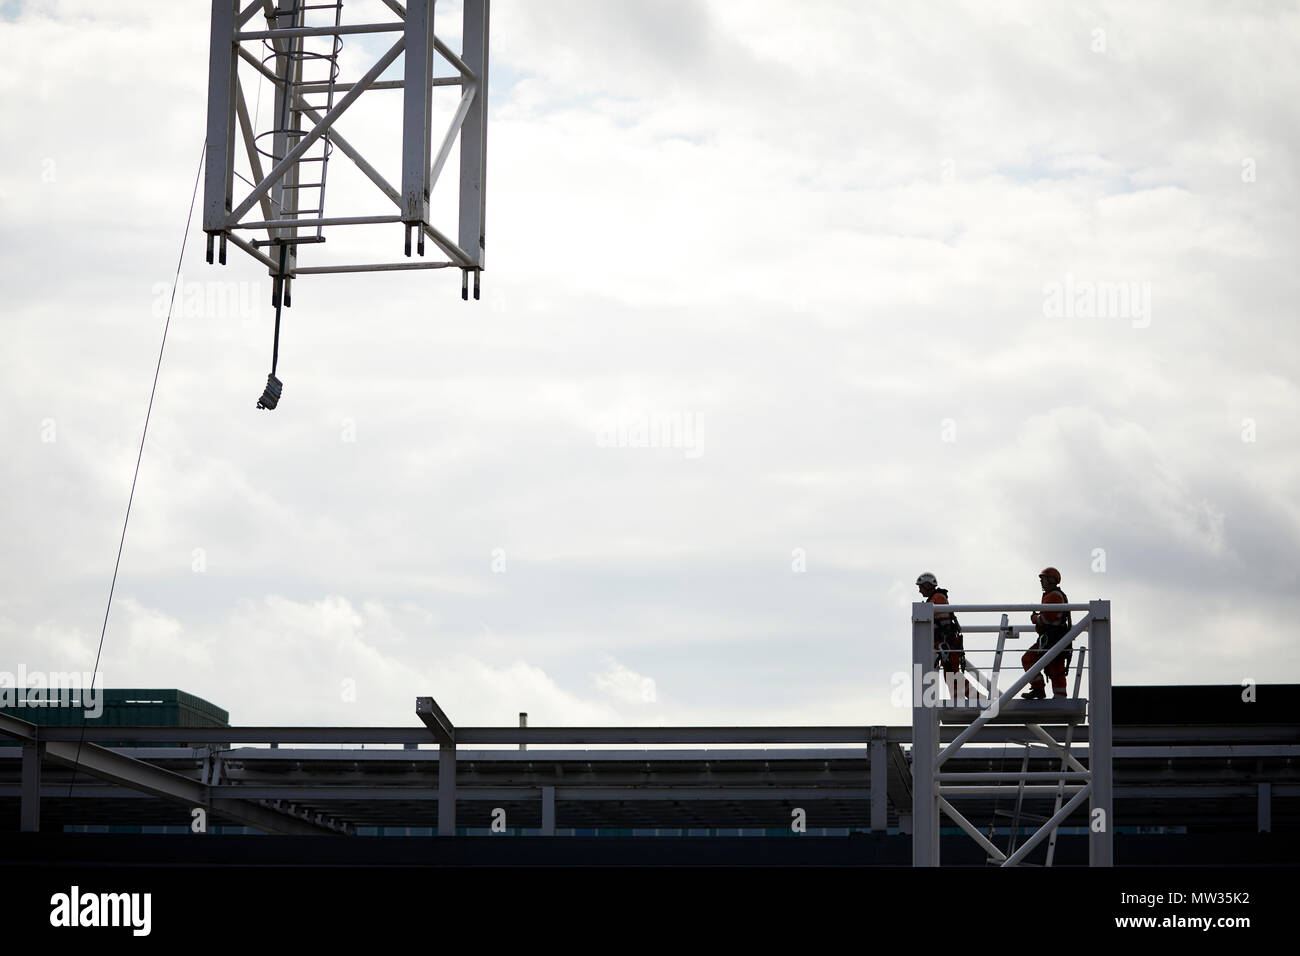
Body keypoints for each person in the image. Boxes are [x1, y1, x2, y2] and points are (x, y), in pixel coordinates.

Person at [917, 572, 973, 701]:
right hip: (947, 645)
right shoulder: (935, 599)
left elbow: (943, 625)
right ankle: (958, 700)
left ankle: (976, 699)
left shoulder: (937, 599)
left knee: (953, 675)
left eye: (921, 587)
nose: (919, 590)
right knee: (950, 675)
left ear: (927, 585)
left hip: (948, 644)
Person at [1022, 567, 1072, 699]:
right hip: (1053, 638)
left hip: (1053, 638)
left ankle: (1054, 694)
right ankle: (1052, 694)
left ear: (1051, 579)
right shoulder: (1052, 595)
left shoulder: (1054, 596)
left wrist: (1034, 618)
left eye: (1043, 578)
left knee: (1052, 666)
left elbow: (1045, 620)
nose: (1041, 582)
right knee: (1049, 666)